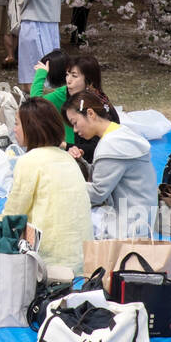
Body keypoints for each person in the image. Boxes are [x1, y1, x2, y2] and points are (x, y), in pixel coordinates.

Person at [0, 98, 92, 280]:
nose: (14, 129)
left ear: (31, 127)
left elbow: (12, 216)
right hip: (82, 261)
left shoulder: (29, 161)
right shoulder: (68, 159)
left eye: (17, 124)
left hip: (49, 264)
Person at [65, 89, 156, 239]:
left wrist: (62, 185)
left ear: (91, 114)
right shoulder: (120, 133)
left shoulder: (112, 145)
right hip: (141, 218)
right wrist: (80, 162)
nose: (75, 130)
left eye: (75, 123)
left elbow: (97, 193)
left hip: (130, 226)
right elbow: (103, 177)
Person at [64, 54, 121, 162]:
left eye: (74, 76)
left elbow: (95, 148)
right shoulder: (82, 99)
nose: (68, 80)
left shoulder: (96, 106)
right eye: (67, 75)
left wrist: (63, 145)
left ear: (89, 80)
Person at [29, 49, 74, 145]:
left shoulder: (62, 93)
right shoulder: (73, 88)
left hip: (67, 144)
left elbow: (35, 103)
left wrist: (40, 74)